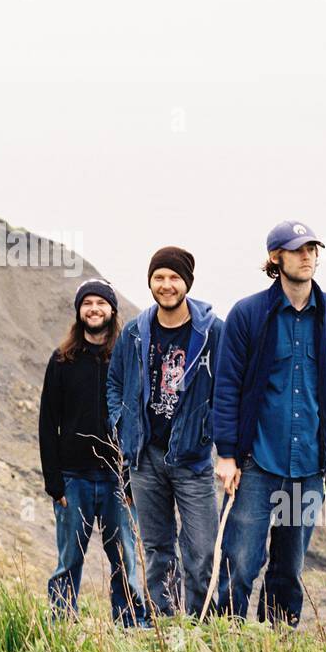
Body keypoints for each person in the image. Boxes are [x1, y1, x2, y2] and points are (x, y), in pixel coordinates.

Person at [213, 221, 326, 627]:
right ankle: (224, 637)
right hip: (257, 464)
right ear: (275, 258)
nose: (307, 256)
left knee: (290, 567)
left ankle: (277, 642)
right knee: (241, 560)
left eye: (312, 249)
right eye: (297, 249)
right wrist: (226, 454)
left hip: (309, 466)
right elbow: (226, 387)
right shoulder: (247, 315)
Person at [107, 247, 224, 617]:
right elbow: (114, 383)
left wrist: (214, 434)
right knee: (158, 549)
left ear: (187, 282)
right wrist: (122, 425)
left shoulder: (211, 333)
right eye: (159, 277)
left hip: (192, 460)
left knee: (202, 549)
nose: (166, 285)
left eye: (174, 277)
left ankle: (200, 625)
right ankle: (165, 624)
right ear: (150, 282)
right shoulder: (135, 331)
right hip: (145, 458)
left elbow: (228, 387)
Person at [39, 278, 146, 627]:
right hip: (73, 479)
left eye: (101, 303)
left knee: (124, 560)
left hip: (118, 480)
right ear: (79, 311)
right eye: (88, 303)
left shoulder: (126, 359)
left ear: (112, 311)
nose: (94, 309)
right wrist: (55, 483)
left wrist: (132, 481)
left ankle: (131, 627)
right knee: (69, 560)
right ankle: (61, 626)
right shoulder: (62, 361)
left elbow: (138, 417)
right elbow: (47, 423)